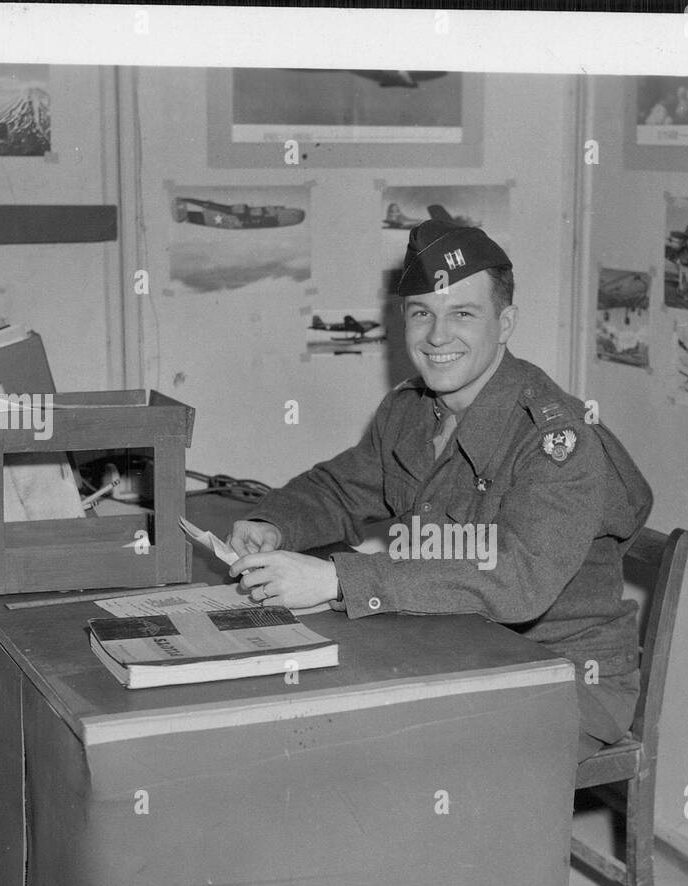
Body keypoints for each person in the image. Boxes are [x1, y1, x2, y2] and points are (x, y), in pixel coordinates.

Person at [227, 218, 654, 761]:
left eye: (463, 314)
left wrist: (337, 579)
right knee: (316, 725)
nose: (436, 336)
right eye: (422, 312)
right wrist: (275, 522)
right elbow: (339, 489)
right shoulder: (411, 410)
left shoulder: (557, 439)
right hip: (453, 648)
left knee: (400, 758)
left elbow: (517, 578)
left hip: (560, 675)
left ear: (505, 323)